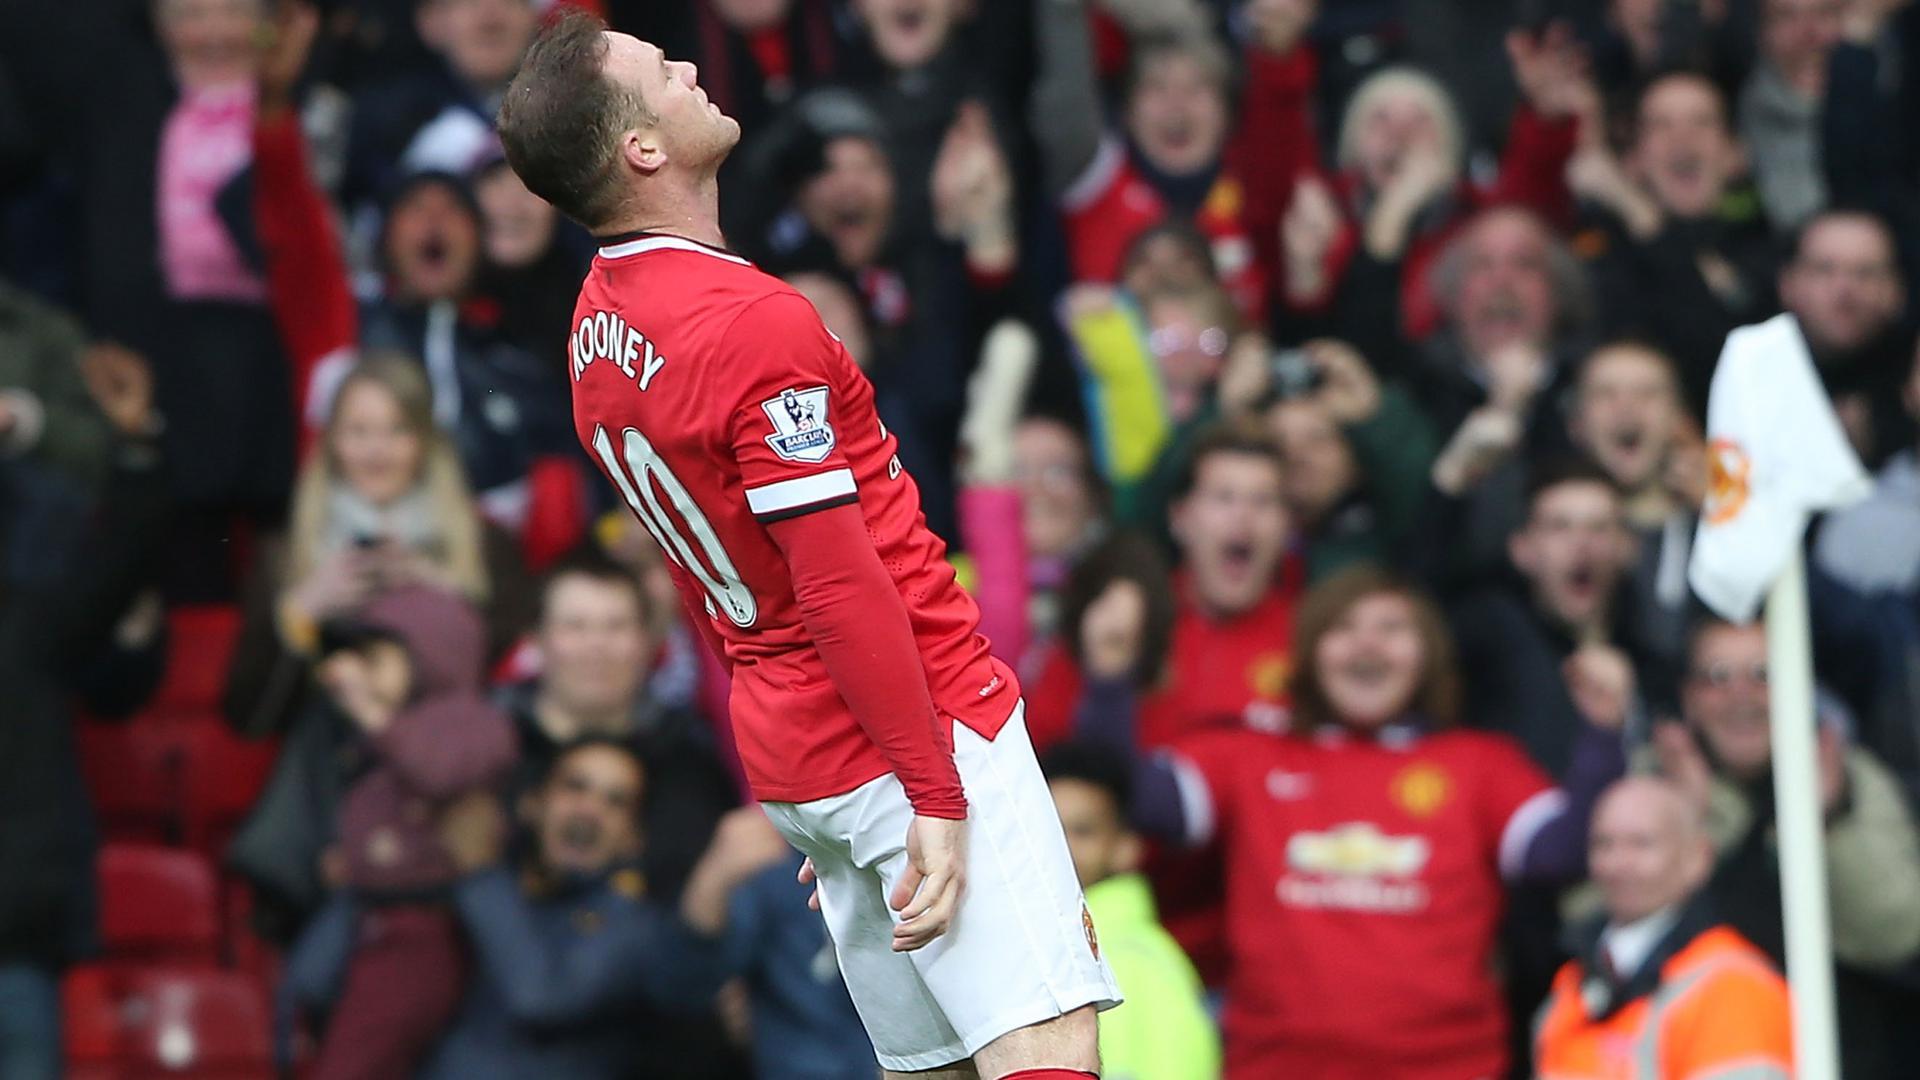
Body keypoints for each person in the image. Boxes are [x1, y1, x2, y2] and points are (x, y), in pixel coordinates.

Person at [495, 16, 1120, 1079]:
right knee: (1046, 1043)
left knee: (936, 1068)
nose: (689, 67)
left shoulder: (593, 332)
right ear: (642, 147)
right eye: (661, 71)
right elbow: (837, 582)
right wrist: (929, 791)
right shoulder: (752, 323)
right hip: (918, 719)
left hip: (804, 752)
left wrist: (825, 803)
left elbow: (706, 573)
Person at [1080, 567, 1623, 1079]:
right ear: (1309, 650)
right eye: (1343, 627)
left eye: (1392, 628)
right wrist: (1110, 679)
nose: (1368, 644)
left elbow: (1564, 852)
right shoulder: (1253, 756)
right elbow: (1132, 797)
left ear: (1428, 653)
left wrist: (1603, 735)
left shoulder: (1480, 764)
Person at [1653, 618, 1920, 1077]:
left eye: (1764, 674)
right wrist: (1688, 826)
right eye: (1718, 676)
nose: (1742, 695)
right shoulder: (1652, 784)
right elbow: (1615, 937)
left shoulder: (1851, 778)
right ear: (1689, 698)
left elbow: (1898, 933)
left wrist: (1831, 821)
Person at [225, 353, 534, 739]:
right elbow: (249, 720)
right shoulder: (284, 553)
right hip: (336, 763)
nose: (377, 451)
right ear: (331, 441)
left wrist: (444, 594)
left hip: (450, 757)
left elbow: (513, 687)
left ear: (426, 441)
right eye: (359, 432)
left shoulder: (484, 545)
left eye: (397, 430)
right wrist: (299, 616)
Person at [304, 584, 518, 1080]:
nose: (366, 674)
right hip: (365, 919)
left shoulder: (473, 722)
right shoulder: (394, 726)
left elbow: (438, 775)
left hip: (423, 932)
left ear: (433, 653)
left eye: (377, 659)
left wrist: (374, 716)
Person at [499, 551, 741, 902]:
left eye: (616, 627)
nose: (596, 646)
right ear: (535, 639)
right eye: (575, 626)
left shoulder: (688, 756)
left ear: (648, 642)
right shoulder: (485, 745)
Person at [1534, 777, 1794, 1080]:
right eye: (1603, 843)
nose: (1618, 862)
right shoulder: (1574, 978)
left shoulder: (1735, 986)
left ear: (1697, 857)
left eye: (1641, 843)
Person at [1043, 741, 1221, 1080]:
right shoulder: (1052, 944)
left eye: (1082, 831)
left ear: (1126, 847)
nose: (1061, 846)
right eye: (1047, 826)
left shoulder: (1137, 959)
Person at [1777, 208, 1914, 467]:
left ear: (1896, 289)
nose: (1845, 289)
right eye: (1824, 270)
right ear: (1788, 283)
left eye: (1865, 272)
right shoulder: (1750, 371)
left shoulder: (1912, 375)